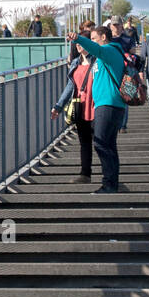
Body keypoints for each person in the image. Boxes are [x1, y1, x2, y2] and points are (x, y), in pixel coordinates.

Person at [73, 24, 127, 193]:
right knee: (108, 144)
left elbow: (94, 49)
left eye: (94, 39)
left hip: (108, 104)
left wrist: (78, 38)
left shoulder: (109, 50)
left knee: (101, 143)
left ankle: (109, 183)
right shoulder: (108, 54)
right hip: (107, 104)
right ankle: (112, 183)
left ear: (104, 38)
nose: (93, 42)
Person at [51, 25, 97, 183]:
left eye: (81, 42)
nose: (78, 46)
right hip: (80, 107)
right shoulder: (75, 63)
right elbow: (70, 87)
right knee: (84, 142)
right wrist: (58, 106)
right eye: (76, 43)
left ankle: (109, 175)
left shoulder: (98, 61)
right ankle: (85, 174)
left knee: (101, 142)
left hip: (97, 106)